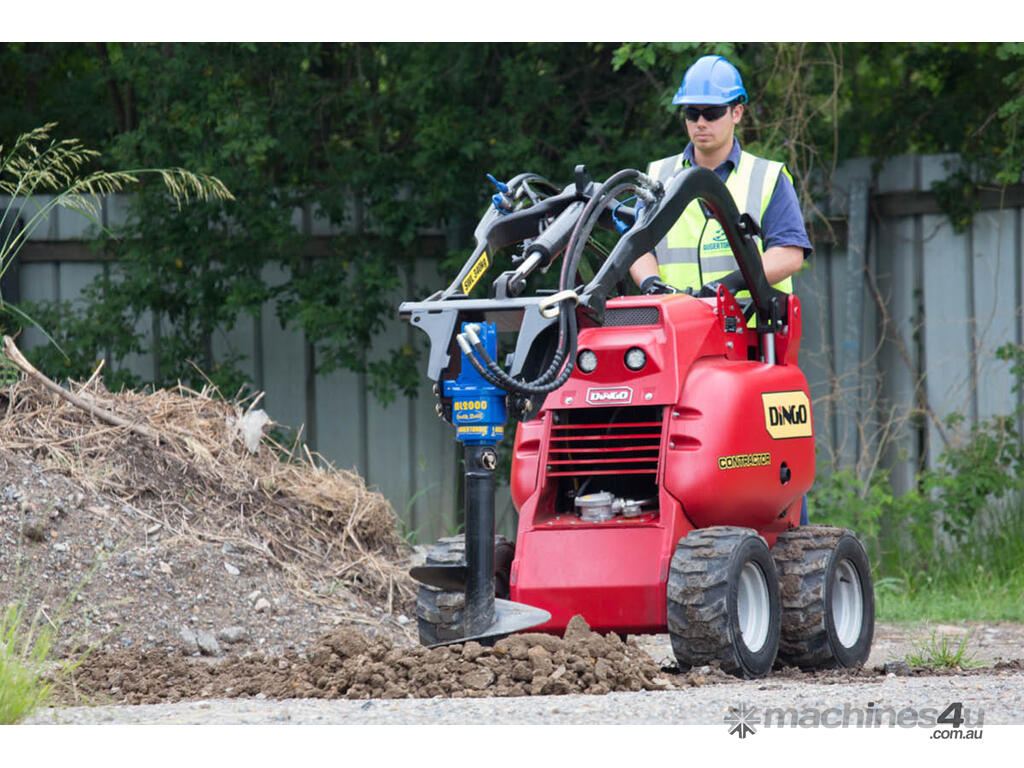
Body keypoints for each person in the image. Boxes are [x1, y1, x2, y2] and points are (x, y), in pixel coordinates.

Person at [630, 54, 813, 525]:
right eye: (691, 113)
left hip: (751, 344)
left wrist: (733, 282)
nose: (700, 123)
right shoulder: (657, 177)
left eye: (712, 113)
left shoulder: (767, 178)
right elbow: (634, 247)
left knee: (768, 467)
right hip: (674, 344)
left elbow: (790, 252)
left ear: (738, 112)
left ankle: (783, 549)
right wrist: (650, 283)